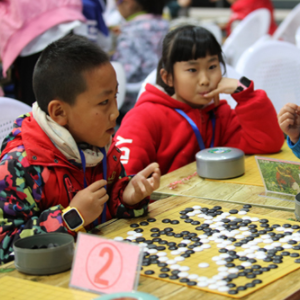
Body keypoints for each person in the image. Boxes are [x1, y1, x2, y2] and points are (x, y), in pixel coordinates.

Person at [0, 35, 161, 265]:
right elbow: (6, 249)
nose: (115, 112)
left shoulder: (101, 143)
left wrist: (127, 197)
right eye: (104, 102)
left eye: (115, 97)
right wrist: (72, 217)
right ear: (59, 112)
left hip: (94, 267)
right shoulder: (18, 166)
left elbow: (109, 204)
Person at [115, 25, 284, 176]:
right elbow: (123, 180)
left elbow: (268, 145)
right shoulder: (143, 117)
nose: (205, 80)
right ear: (168, 78)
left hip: (209, 205)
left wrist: (246, 95)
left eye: (212, 67)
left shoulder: (221, 115)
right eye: (192, 69)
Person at [111, 0, 169, 124]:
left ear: (129, 2)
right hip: (165, 99)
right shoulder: (166, 26)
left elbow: (122, 76)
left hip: (134, 105)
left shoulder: (130, 32)